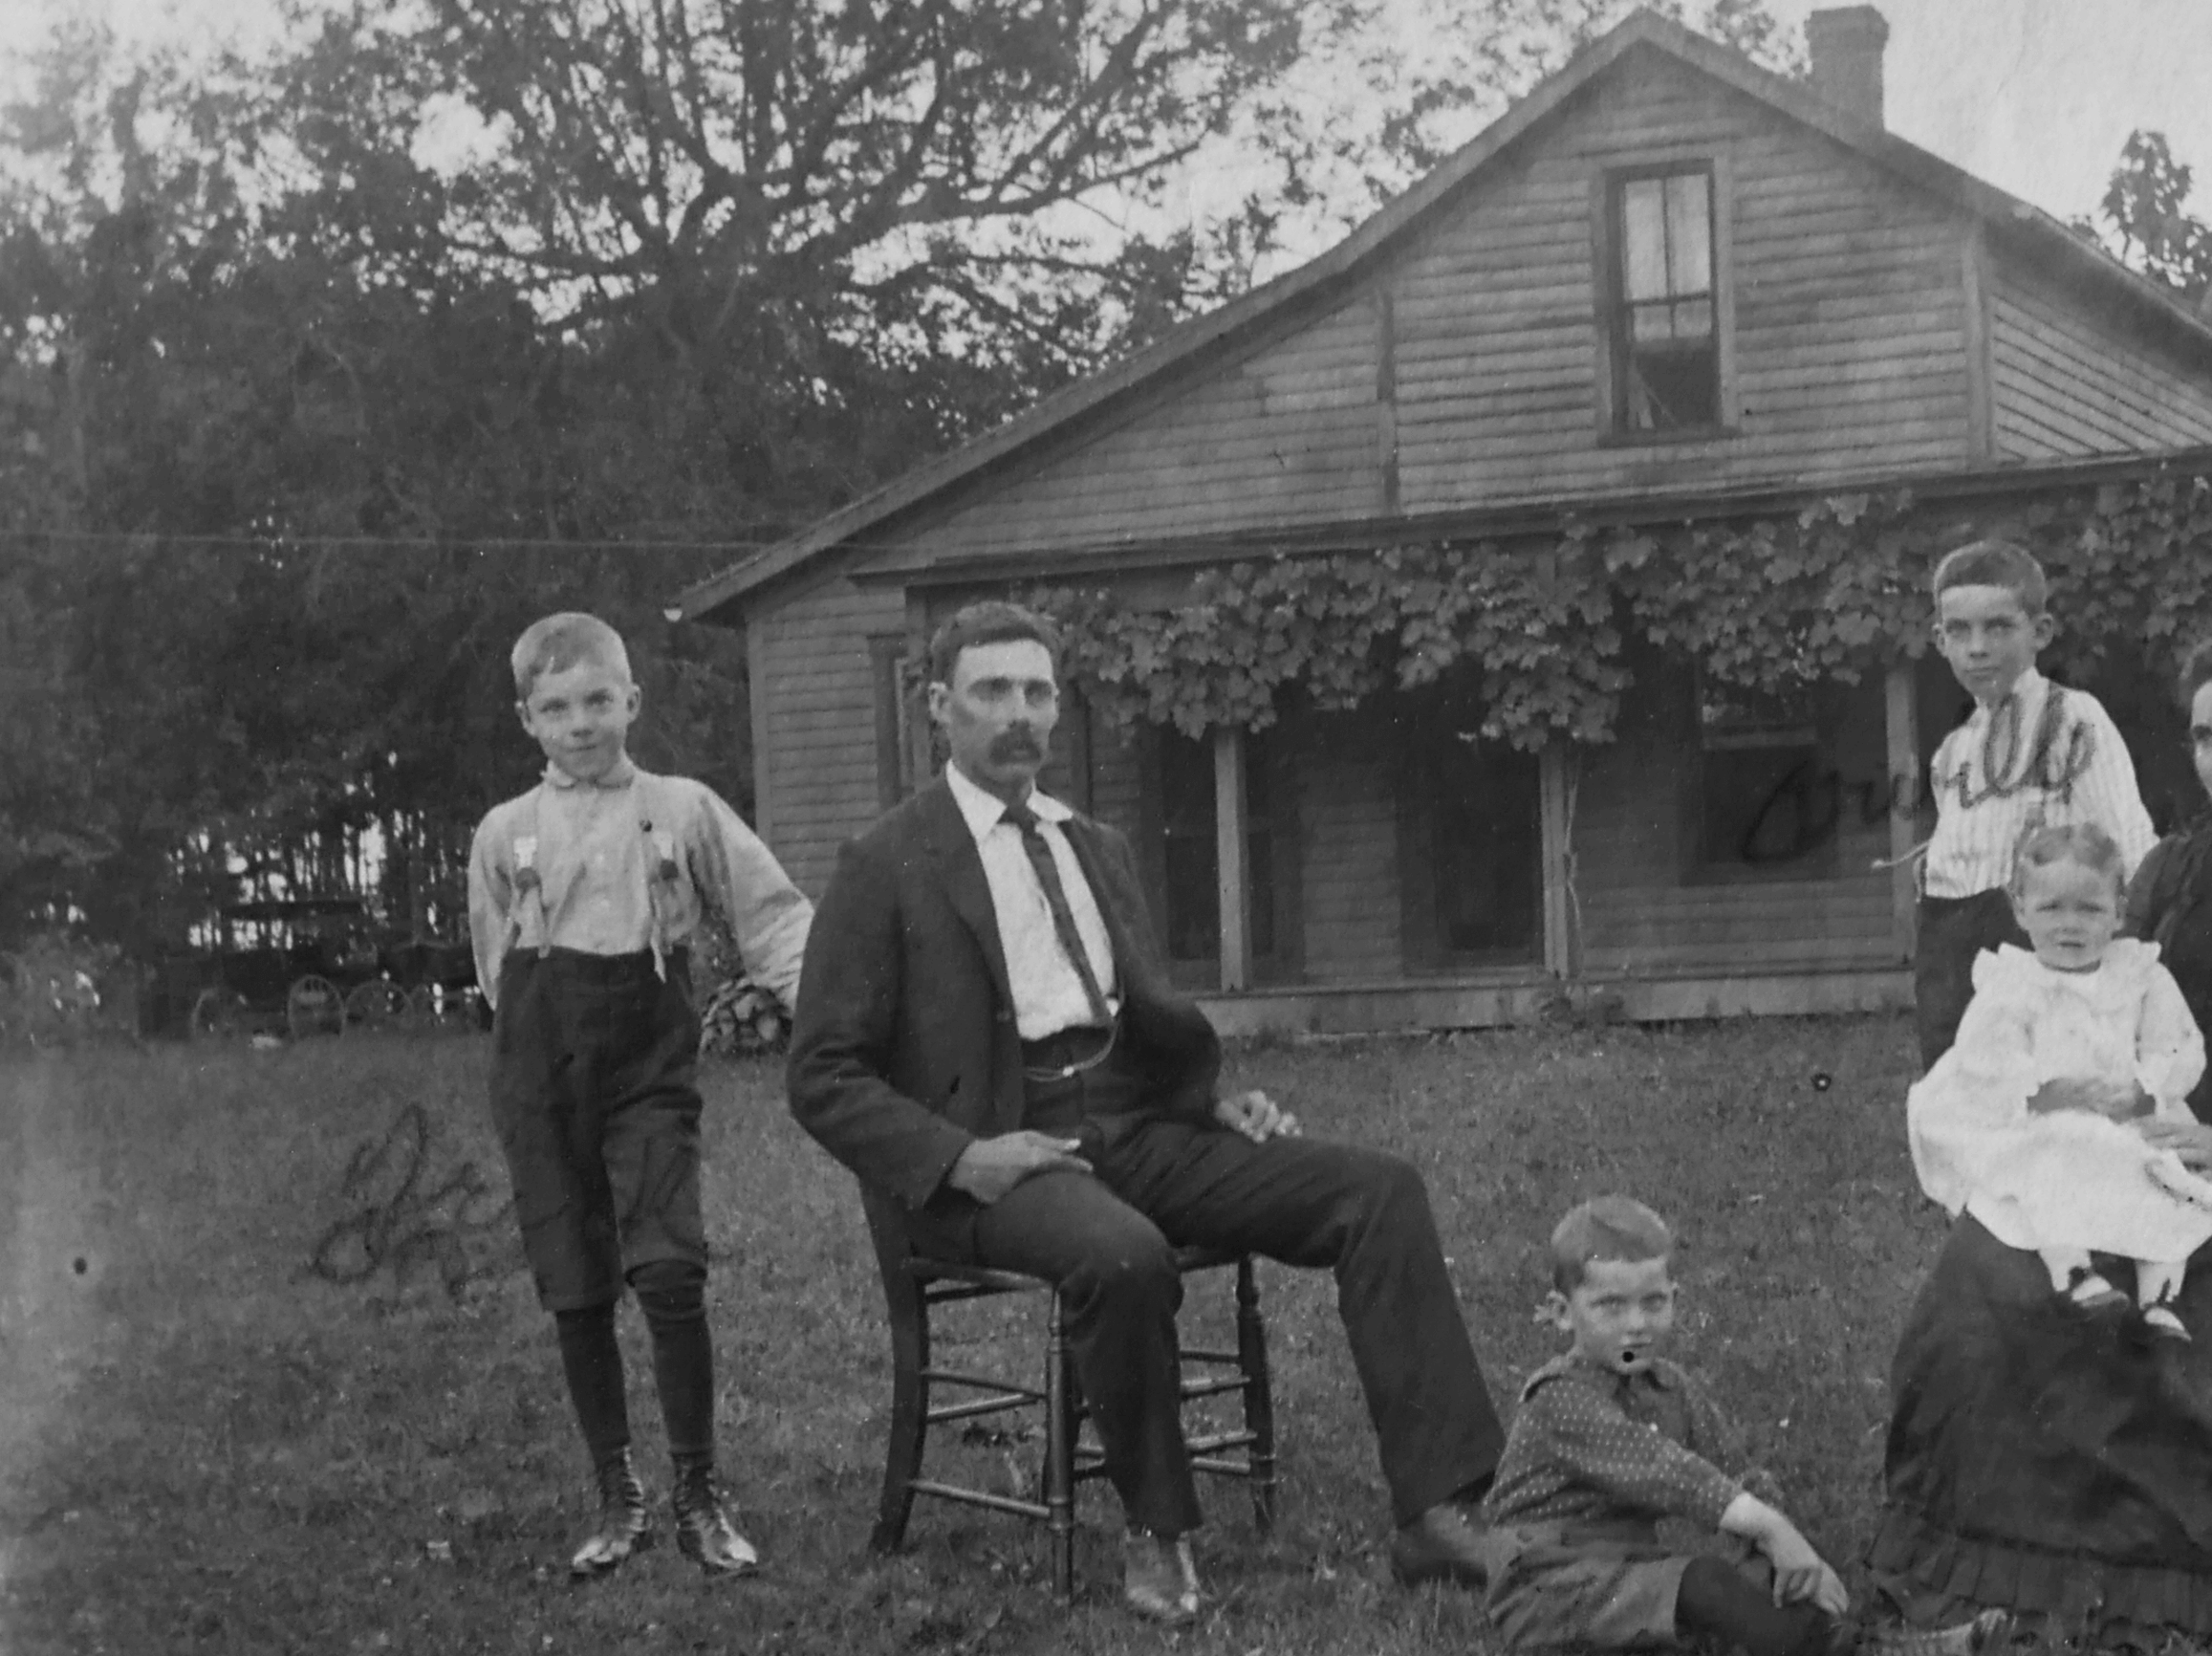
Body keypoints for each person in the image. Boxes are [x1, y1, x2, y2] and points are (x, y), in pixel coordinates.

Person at [785, 600, 1508, 1624]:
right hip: (997, 1154)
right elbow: (819, 1072)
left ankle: (1440, 1510)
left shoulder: (1097, 845)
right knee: (1123, 1257)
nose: (1020, 714)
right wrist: (960, 1157)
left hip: (1135, 1121)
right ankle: (1156, 1532)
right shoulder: (884, 861)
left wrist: (1211, 1097)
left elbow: (1136, 1008)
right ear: (938, 705)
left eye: (1037, 691)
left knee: (1378, 1191)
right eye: (992, 691)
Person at [1869, 621, 2212, 1647]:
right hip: (2123, 1148)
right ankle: (2001, 1561)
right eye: (2205, 736)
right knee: (1981, 1289)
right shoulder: (2165, 868)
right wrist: (2071, 1098)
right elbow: (2088, 1004)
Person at [467, 611, 814, 1580]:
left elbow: (774, 917)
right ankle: (614, 1489)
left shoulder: (682, 808)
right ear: (528, 719)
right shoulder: (505, 832)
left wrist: (829, 1010)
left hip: (648, 1070)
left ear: (631, 700)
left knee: (668, 1268)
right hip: (540, 1076)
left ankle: (698, 1490)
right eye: (556, 707)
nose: (580, 723)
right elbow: (496, 963)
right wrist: (540, 1044)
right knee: (575, 1281)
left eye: (597, 700)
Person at [1484, 1197, 1854, 1656]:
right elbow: (1664, 1471)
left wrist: (1789, 1550)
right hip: (1546, 1589)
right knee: (1703, 1581)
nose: (1637, 1325)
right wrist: (1772, 1529)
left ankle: (1834, 1636)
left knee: (1764, 1572)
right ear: (1562, 1313)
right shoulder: (1559, 1397)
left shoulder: (1670, 1387)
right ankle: (1839, 1648)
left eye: (1653, 1302)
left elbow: (1735, 1471)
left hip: (1625, 1571)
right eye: (1611, 1307)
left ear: (1675, 1300)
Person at [1902, 823, 2212, 1340]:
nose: (2070, 926)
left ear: (2118, 912)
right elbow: (1988, 1059)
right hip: (2042, 1115)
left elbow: (2180, 1046)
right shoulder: (2014, 984)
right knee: (2048, 1168)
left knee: (2167, 1175)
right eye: (2051, 908)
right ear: (2021, 909)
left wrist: (2145, 1088)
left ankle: (2160, 1298)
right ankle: (2073, 1271)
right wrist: (2043, 1090)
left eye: (2090, 910)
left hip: (2127, 1110)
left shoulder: (2140, 974)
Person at [1904, 540, 2157, 1071]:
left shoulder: (2072, 720)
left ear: (2039, 633)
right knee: (1957, 1086)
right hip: (1948, 945)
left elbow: (2130, 848)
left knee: (2037, 1092)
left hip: (2032, 938)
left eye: (1998, 627)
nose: (1977, 648)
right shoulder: (1955, 749)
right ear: (1939, 640)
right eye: (1959, 631)